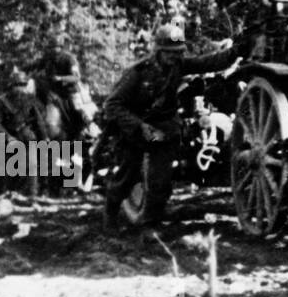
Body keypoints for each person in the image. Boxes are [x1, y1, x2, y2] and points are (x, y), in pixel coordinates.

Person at [100, 23, 240, 231]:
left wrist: (237, 51)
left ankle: (150, 226)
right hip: (135, 130)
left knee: (160, 182)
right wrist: (139, 126)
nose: (175, 57)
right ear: (158, 51)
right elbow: (112, 105)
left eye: (179, 52)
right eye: (170, 53)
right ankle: (110, 213)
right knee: (127, 178)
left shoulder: (179, 66)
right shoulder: (137, 73)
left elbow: (210, 62)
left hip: (162, 131)